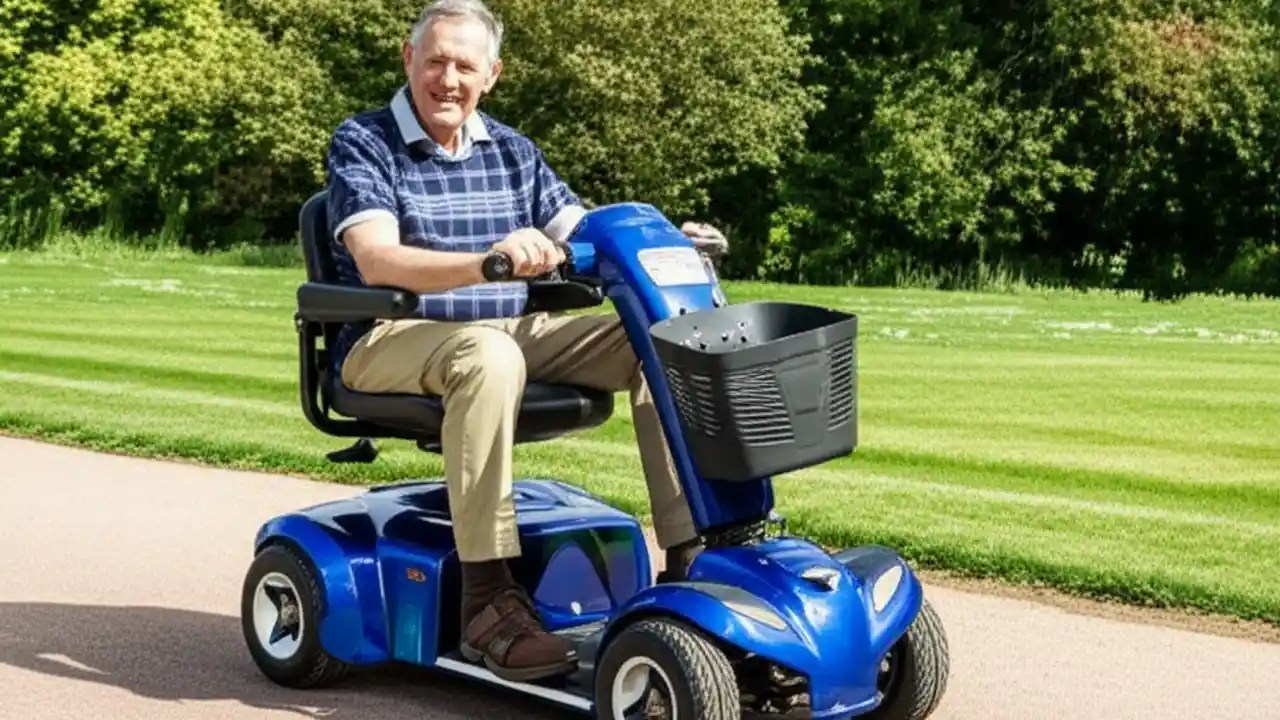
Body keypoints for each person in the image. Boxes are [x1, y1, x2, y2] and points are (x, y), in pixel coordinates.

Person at [323, 0, 728, 683]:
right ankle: (486, 600)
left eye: (465, 66)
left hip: (508, 330)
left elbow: (584, 233)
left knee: (662, 340)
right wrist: (491, 261)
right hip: (388, 335)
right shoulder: (362, 142)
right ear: (409, 59)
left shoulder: (513, 151)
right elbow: (377, 261)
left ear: (492, 74)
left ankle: (695, 559)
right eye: (436, 61)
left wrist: (667, 242)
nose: (448, 79)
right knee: (489, 354)